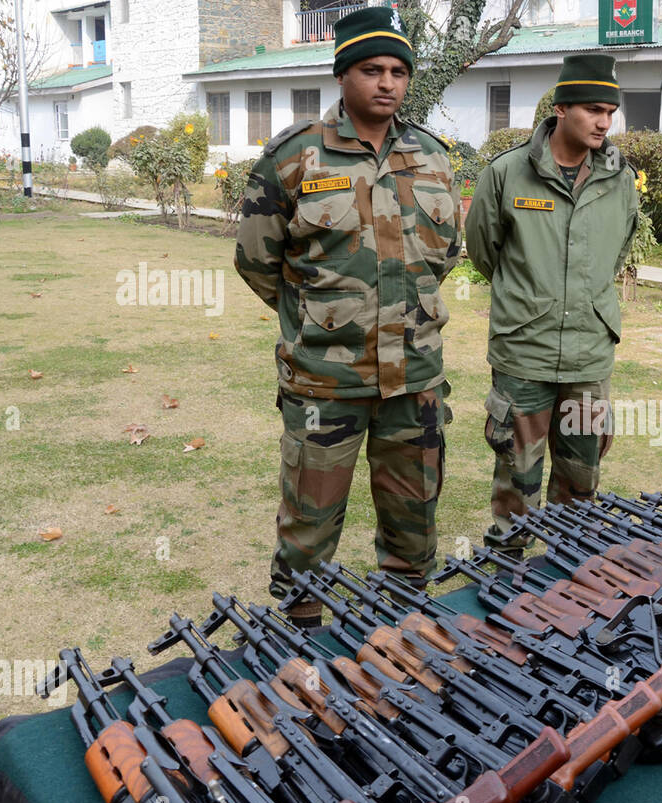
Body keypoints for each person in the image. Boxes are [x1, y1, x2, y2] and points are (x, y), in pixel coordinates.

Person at [234, 6, 460, 625]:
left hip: (414, 380)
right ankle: (300, 646)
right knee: (308, 532)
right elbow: (257, 260)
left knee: (414, 532)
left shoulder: (435, 159)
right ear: (342, 75)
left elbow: (444, 255)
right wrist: (321, 321)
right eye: (370, 69)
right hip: (324, 385)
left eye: (397, 70)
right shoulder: (294, 158)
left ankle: (403, 640)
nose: (386, 82)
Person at [465, 53, 640, 553]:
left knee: (581, 483)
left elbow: (615, 251)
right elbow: (483, 251)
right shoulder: (506, 175)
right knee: (517, 483)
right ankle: (509, 582)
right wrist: (532, 297)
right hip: (524, 352)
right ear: (561, 109)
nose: (604, 121)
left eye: (611, 110)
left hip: (588, 355)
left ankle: (566, 586)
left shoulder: (619, 179)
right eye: (592, 109)